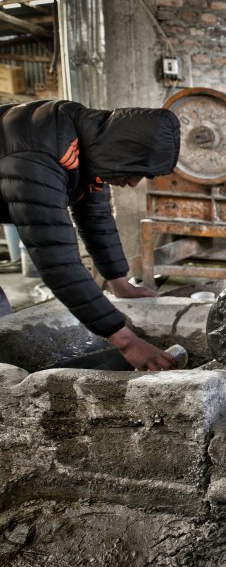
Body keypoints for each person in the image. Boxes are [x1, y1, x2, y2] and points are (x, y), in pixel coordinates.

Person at [0, 100, 182, 371]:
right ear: (121, 153)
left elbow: (96, 219)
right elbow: (56, 259)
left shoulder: (90, 145)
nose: (133, 183)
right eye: (136, 172)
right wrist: (127, 342)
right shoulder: (38, 155)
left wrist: (120, 283)